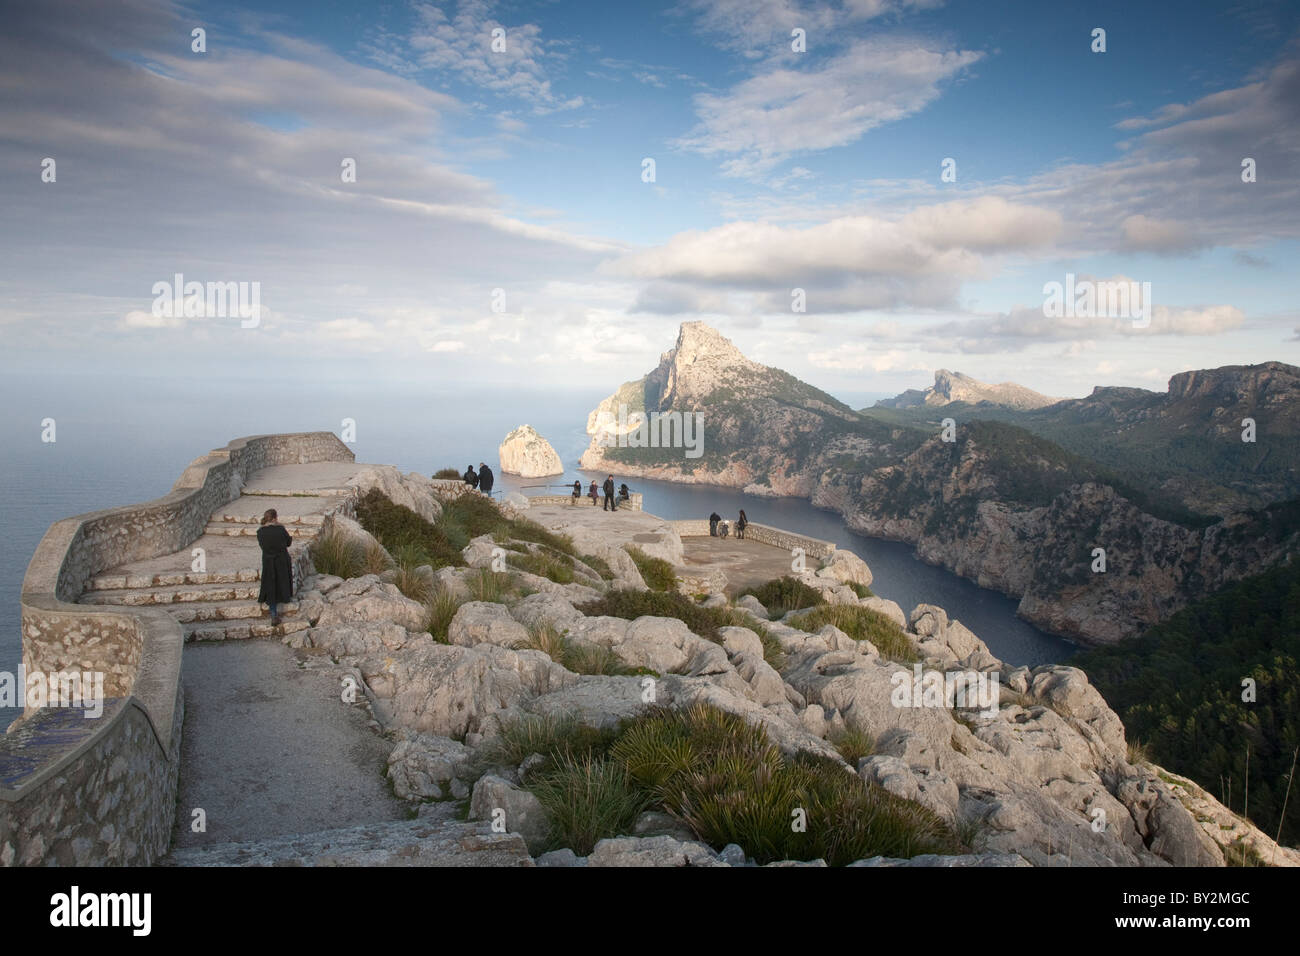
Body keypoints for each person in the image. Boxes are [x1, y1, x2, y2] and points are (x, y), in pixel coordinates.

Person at [257, 508, 293, 627]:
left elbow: (263, 546)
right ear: (275, 518)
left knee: (271, 586)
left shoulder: (260, 532)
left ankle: (273, 613)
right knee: (282, 582)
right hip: (281, 561)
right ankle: (285, 599)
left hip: (268, 562)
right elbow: (288, 542)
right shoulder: (280, 529)